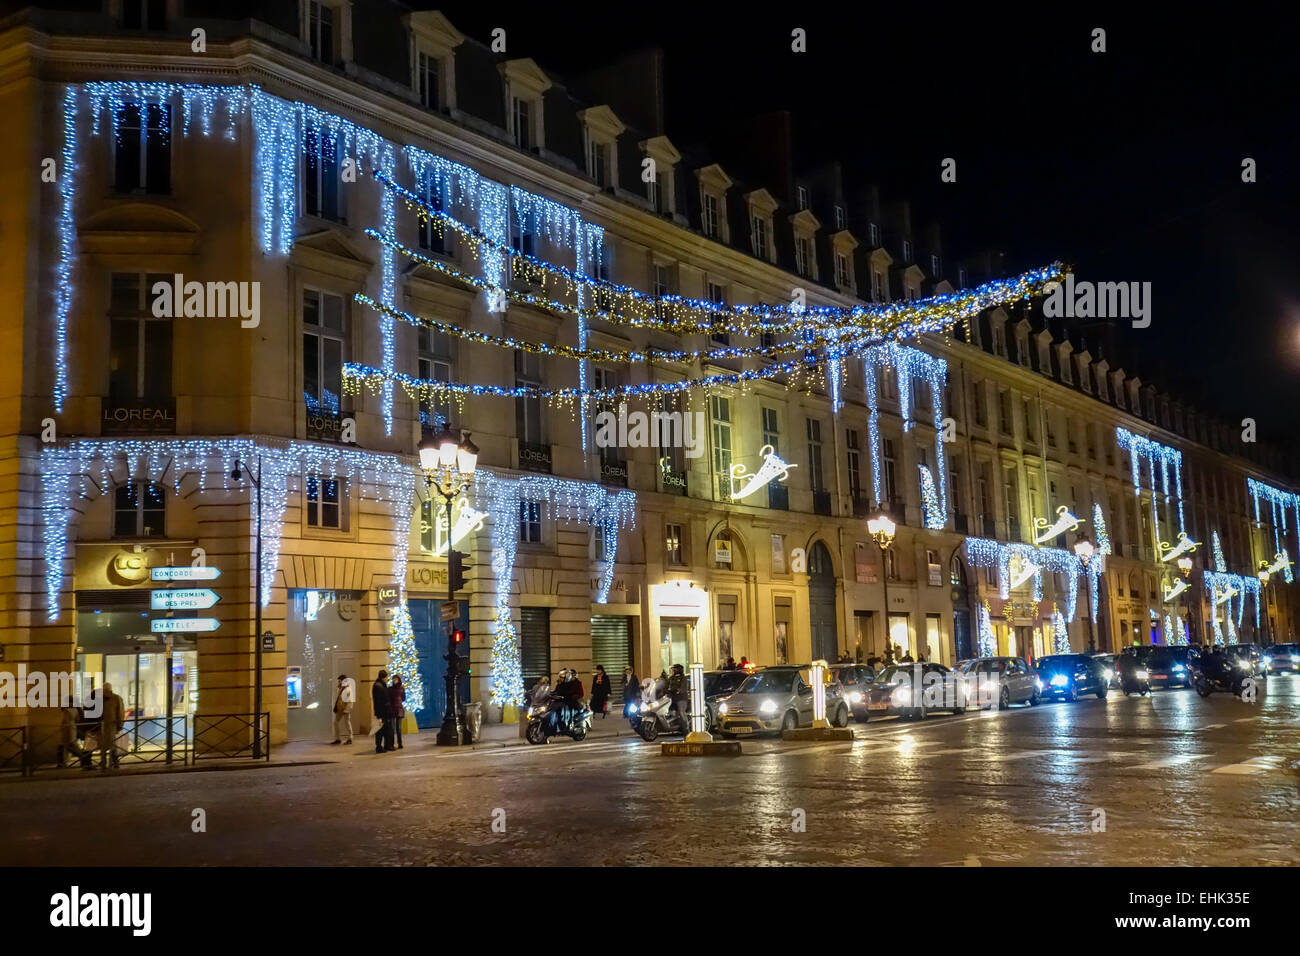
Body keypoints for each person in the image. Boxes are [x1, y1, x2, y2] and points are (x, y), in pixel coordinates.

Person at [59, 697, 93, 769]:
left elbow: (64, 720)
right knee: (68, 746)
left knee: (71, 746)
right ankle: (85, 760)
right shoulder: (76, 709)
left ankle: (84, 759)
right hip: (71, 729)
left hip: (69, 730)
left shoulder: (67, 710)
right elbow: (78, 719)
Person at [97, 682, 125, 769]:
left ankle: (114, 762)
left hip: (111, 725)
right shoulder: (99, 699)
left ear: (109, 689)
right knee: (103, 745)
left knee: (112, 745)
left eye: (105, 689)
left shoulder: (116, 698)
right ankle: (104, 762)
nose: (103, 691)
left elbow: (120, 712)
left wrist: (120, 724)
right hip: (102, 726)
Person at [372, 670, 393, 753]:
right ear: (384, 677)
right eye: (386, 677)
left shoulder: (379, 685)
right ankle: (379, 746)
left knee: (385, 729)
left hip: (382, 711)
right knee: (381, 730)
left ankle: (386, 745)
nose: (387, 679)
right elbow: (380, 700)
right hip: (382, 712)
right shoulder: (379, 686)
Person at [331, 674, 354, 745]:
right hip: (340, 709)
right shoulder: (341, 688)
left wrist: (346, 710)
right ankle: (338, 738)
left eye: (339, 681)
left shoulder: (347, 689)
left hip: (344, 709)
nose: (338, 682)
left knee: (346, 723)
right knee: (336, 722)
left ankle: (350, 737)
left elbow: (350, 701)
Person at [666, 663, 689, 727]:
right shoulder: (671, 678)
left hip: (681, 698)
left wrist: (678, 690)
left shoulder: (683, 678)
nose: (672, 671)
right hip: (671, 698)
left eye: (673, 670)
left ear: (677, 670)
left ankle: (686, 728)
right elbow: (666, 686)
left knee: (681, 712)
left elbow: (683, 688)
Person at [388, 674, 406, 749]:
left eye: (396, 679)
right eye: (393, 679)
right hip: (392, 709)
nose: (394, 680)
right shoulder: (390, 689)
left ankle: (400, 743)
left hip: (399, 709)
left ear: (398, 680)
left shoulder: (401, 688)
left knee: (398, 727)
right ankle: (391, 743)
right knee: (392, 727)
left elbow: (404, 698)